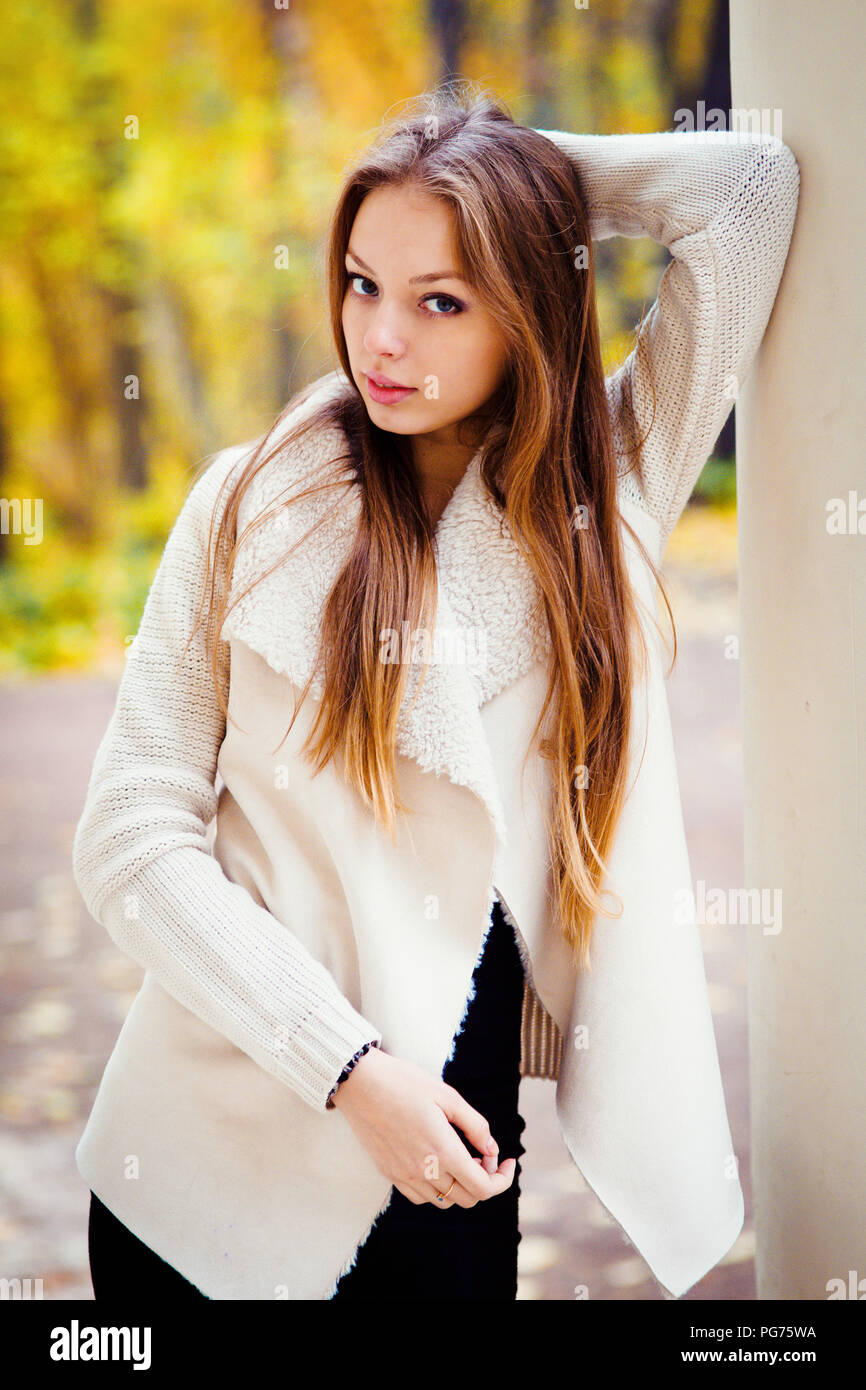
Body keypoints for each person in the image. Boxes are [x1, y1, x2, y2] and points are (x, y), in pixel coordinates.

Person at [72, 83, 800, 1301]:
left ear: (527, 308)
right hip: (204, 1161)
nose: (381, 339)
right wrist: (350, 1071)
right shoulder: (247, 503)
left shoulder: (603, 495)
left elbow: (742, 195)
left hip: (451, 1176)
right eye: (362, 282)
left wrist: (495, 172)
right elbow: (130, 840)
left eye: (441, 298)